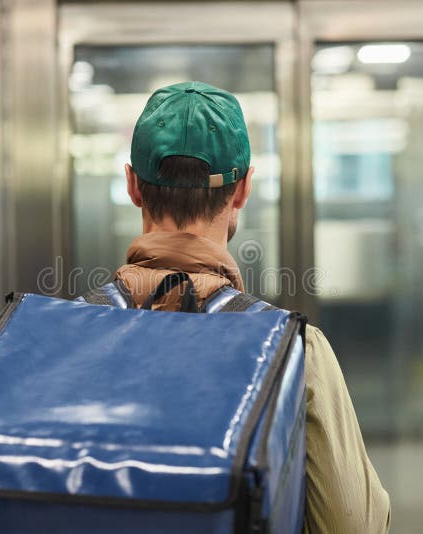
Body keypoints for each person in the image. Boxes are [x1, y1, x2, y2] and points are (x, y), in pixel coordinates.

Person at [111, 81, 390, 533]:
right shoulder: (295, 352)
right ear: (241, 190)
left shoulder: (60, 336)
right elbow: (352, 524)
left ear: (132, 186)